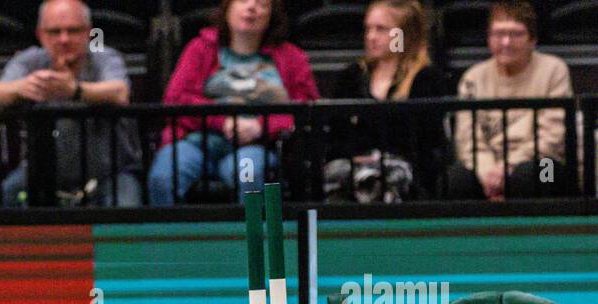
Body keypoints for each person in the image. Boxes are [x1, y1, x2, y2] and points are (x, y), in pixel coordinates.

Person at [147, 0, 316, 206]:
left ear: (272, 15)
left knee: (249, 176)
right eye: (243, 0)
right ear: (227, 9)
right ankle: (171, 238)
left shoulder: (291, 57)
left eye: (262, 4)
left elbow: (305, 107)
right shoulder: (200, 48)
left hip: (254, 146)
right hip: (196, 143)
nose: (252, 7)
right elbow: (175, 99)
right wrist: (222, 122)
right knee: (163, 178)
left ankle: (248, 238)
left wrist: (259, 127)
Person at [0, 0, 139, 208]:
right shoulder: (29, 61)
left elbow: (120, 92)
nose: (64, 39)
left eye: (73, 31)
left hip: (110, 174)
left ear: (89, 32)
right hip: (38, 173)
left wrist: (76, 91)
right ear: (40, 34)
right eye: (54, 32)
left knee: (128, 218)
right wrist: (21, 87)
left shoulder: (104, 57)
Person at [447, 1, 572, 201]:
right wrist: (488, 172)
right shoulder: (473, 77)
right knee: (456, 179)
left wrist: (507, 169)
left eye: (515, 34)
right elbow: (467, 137)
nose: (506, 42)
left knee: (534, 175)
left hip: (544, 162)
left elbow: (552, 137)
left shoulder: (554, 70)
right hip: (488, 166)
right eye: (498, 34)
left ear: (533, 39)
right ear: (488, 39)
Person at [324, 0, 445, 203]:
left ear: (404, 34)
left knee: (393, 177)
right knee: (336, 173)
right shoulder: (352, 76)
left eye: (381, 29)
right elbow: (337, 134)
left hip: (403, 166)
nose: (371, 37)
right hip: (354, 164)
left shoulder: (426, 78)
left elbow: (426, 139)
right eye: (368, 29)